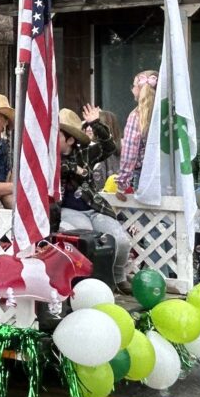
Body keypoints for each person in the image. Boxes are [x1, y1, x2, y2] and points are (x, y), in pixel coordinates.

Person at [57, 107, 131, 291]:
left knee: (121, 242)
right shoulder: (49, 158)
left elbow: (109, 147)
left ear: (70, 139)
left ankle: (118, 277)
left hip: (95, 207)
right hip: (68, 210)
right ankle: (92, 285)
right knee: (89, 242)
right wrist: (73, 169)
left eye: (56, 136)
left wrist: (96, 124)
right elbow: (60, 169)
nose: (51, 140)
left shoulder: (84, 153)